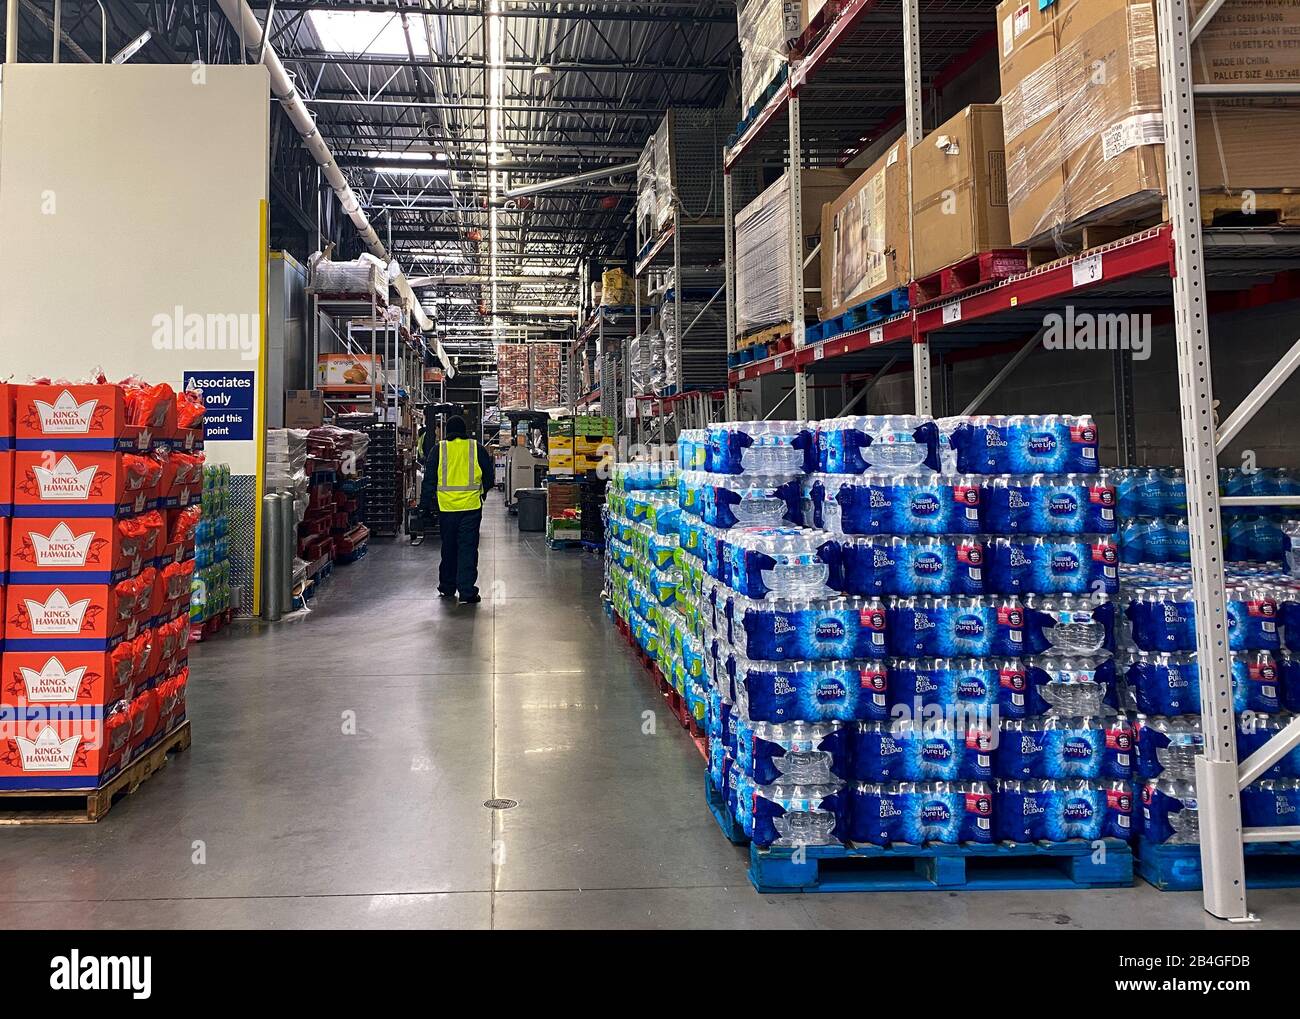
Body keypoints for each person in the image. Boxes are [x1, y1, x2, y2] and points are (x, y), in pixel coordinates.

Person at [431, 415, 493, 604]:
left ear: (447, 430)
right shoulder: (477, 448)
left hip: (446, 508)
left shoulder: (438, 449)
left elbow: (429, 479)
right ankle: (467, 591)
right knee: (467, 549)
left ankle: (447, 587)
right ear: (464, 430)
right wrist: (482, 493)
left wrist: (426, 505)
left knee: (448, 548)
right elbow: (489, 476)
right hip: (471, 508)